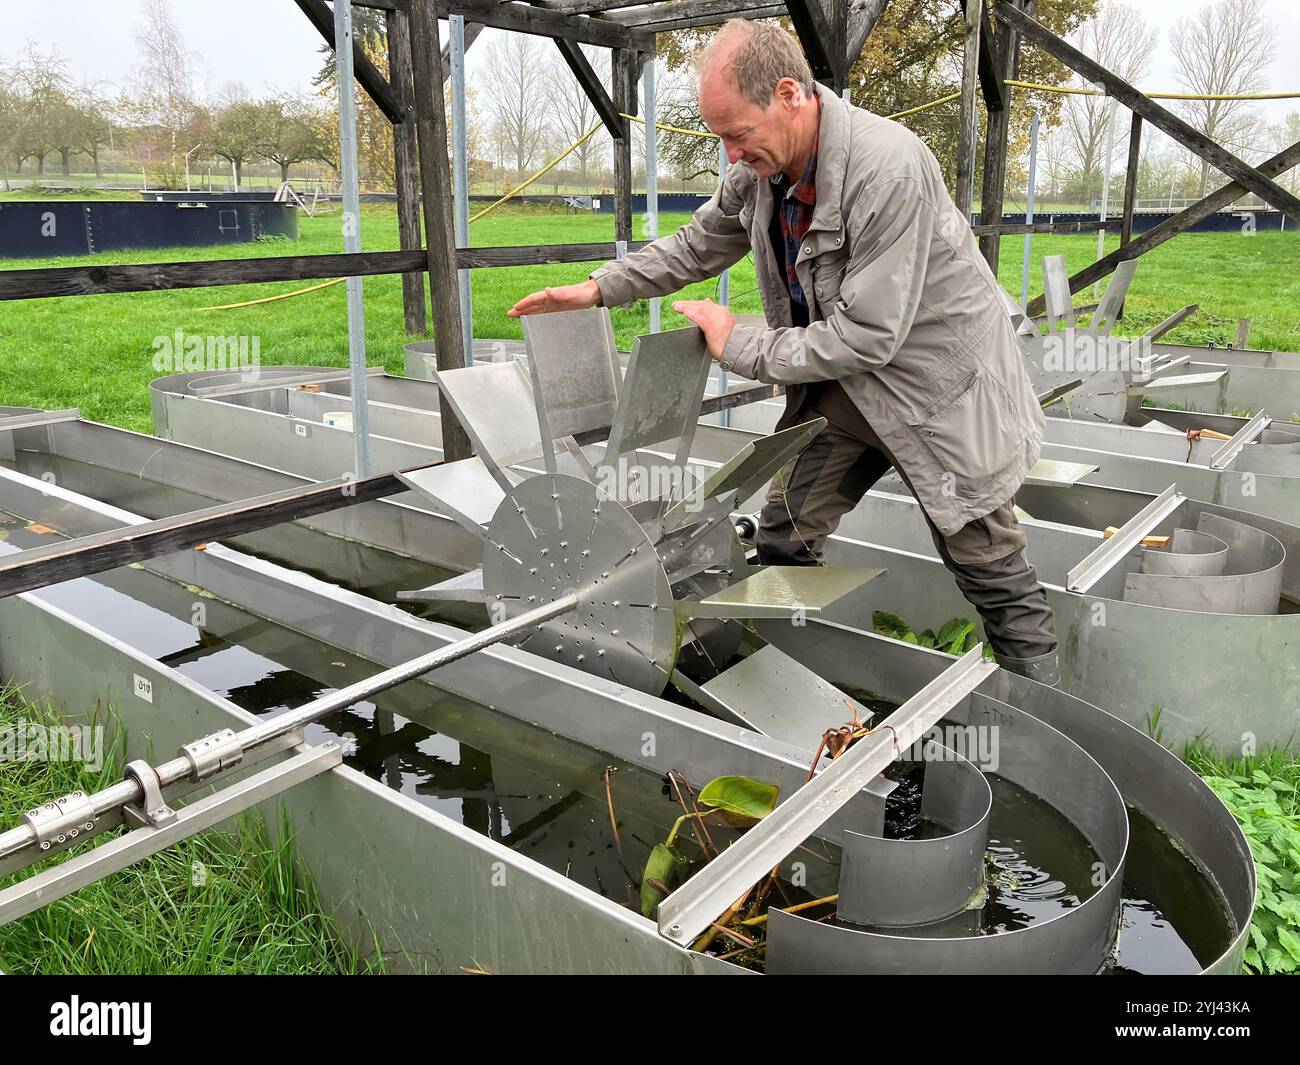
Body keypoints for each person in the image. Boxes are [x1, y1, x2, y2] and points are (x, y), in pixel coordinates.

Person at [507, 20, 1058, 684]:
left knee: (983, 556)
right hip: (842, 387)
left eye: (738, 134)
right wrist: (598, 289)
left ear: (790, 94)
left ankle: (1037, 704)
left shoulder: (888, 167)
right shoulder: (761, 173)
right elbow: (699, 243)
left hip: (936, 392)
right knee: (783, 535)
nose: (732, 154)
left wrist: (736, 340)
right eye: (721, 139)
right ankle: (777, 685)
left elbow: (868, 334)